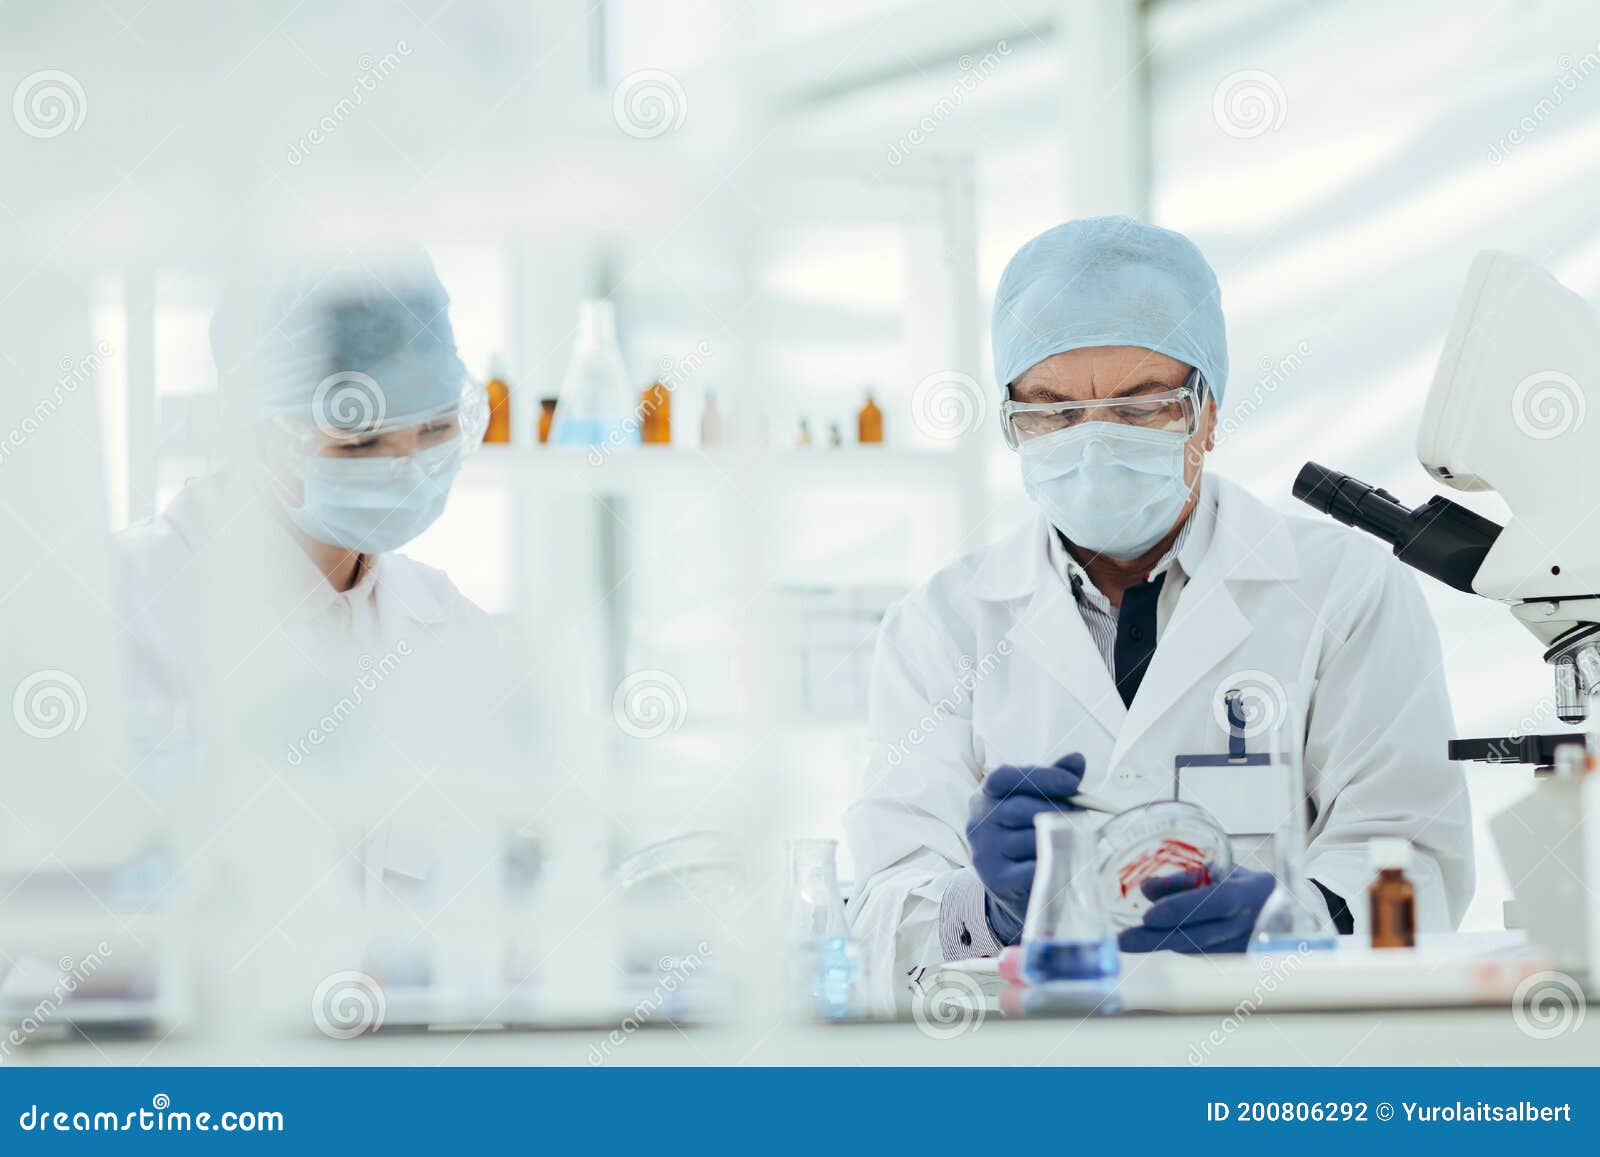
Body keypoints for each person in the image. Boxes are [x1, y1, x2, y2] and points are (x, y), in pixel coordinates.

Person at [844, 216, 1473, 994]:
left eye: (1141, 408)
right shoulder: (939, 627)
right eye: (1053, 412)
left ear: (1207, 413)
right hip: (1032, 1066)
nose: (1094, 444)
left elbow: (1412, 853)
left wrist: (1298, 914)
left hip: (1271, 1065)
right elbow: (878, 909)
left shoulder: (1344, 591)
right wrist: (991, 906)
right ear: (1011, 424)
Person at [114, 252, 498, 818]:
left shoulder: (451, 631)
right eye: (360, 442)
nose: (411, 467)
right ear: (262, 437)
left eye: (436, 427)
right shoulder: (124, 601)